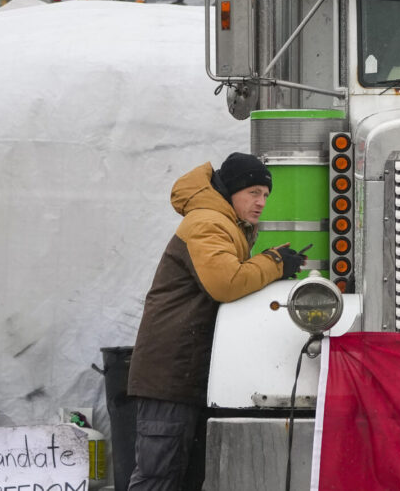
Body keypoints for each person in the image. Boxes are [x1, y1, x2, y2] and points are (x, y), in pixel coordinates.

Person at [127, 153, 306, 491]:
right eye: (253, 192)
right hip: (170, 374)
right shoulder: (208, 221)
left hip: (186, 372)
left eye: (266, 195)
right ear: (232, 190)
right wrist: (274, 263)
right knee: (158, 477)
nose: (261, 202)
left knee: (183, 478)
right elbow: (226, 283)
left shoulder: (228, 225)